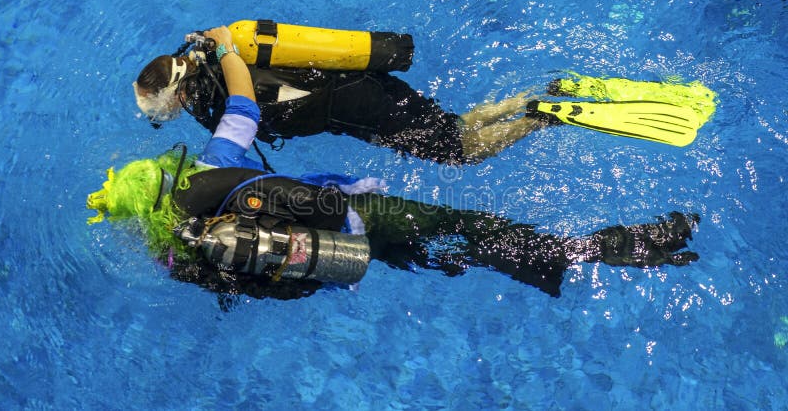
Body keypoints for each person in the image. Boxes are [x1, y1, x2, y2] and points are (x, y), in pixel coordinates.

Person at [92, 26, 701, 299]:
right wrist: (225, 48)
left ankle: (548, 140)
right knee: (469, 211)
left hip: (347, 233)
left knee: (462, 199)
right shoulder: (214, 159)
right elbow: (245, 102)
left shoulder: (181, 246)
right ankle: (595, 231)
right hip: (358, 202)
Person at [133, 22, 717, 164]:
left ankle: (546, 114)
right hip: (361, 83)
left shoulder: (224, 89)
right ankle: (535, 97)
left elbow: (243, 104)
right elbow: (228, 48)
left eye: (158, 116)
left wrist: (230, 56)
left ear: (174, 97)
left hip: (362, 108)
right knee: (460, 125)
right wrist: (219, 43)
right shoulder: (205, 56)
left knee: (461, 154)